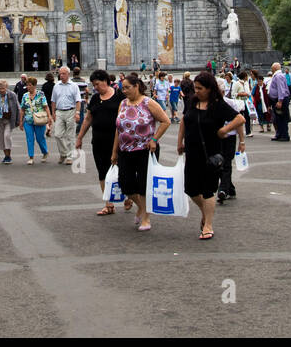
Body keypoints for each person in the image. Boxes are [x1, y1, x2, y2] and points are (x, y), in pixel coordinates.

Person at [179, 72, 244, 240]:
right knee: (191, 189)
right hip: (192, 153)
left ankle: (208, 224)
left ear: (209, 89)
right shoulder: (193, 101)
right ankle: (205, 213)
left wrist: (224, 130)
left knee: (208, 190)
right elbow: (184, 120)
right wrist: (180, 142)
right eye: (195, 88)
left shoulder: (217, 105)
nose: (196, 91)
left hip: (211, 153)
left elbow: (239, 119)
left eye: (200, 88)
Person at [113, 73, 171, 231]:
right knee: (125, 184)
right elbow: (118, 129)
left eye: (127, 88)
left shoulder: (148, 103)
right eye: (122, 88)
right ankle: (141, 206)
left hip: (145, 150)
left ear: (136, 86)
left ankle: (146, 217)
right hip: (125, 150)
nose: (124, 91)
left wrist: (154, 139)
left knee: (144, 184)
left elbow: (166, 121)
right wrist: (114, 152)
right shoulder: (123, 104)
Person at [76, 69, 122, 213]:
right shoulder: (96, 98)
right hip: (98, 141)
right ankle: (108, 205)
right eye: (93, 85)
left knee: (122, 171)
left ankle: (128, 196)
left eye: (96, 84)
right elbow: (88, 118)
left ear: (105, 81)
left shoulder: (120, 97)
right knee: (102, 172)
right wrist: (80, 137)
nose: (95, 87)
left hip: (118, 142)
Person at [49, 65, 82, 164]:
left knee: (70, 135)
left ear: (68, 74)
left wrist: (77, 113)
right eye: (60, 74)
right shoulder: (56, 86)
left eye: (63, 74)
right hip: (59, 112)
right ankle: (63, 153)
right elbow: (53, 100)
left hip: (71, 111)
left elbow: (78, 101)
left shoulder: (74, 86)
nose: (61, 75)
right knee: (57, 134)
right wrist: (53, 113)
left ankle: (69, 157)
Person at [0, 78, 22, 164]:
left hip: (9, 120)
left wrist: (19, 121)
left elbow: (18, 108)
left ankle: (8, 156)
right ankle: (7, 156)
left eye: (3, 88)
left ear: (6, 87)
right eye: (0, 88)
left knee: (7, 136)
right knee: (1, 139)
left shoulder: (12, 95)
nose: (1, 90)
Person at [20, 77, 51, 164]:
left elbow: (46, 106)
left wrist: (49, 117)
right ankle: (31, 157)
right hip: (28, 120)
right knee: (30, 139)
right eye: (27, 85)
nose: (28, 87)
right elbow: (22, 109)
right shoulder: (25, 96)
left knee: (40, 138)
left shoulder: (41, 94)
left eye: (30, 85)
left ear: (34, 85)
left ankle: (45, 152)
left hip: (39, 120)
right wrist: (20, 121)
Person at [267, 62, 291, 141]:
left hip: (280, 99)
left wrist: (280, 101)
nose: (271, 69)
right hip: (277, 99)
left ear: (274, 68)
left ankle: (284, 135)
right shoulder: (277, 76)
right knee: (277, 118)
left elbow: (281, 89)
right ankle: (279, 134)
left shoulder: (278, 76)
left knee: (282, 118)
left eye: (272, 68)